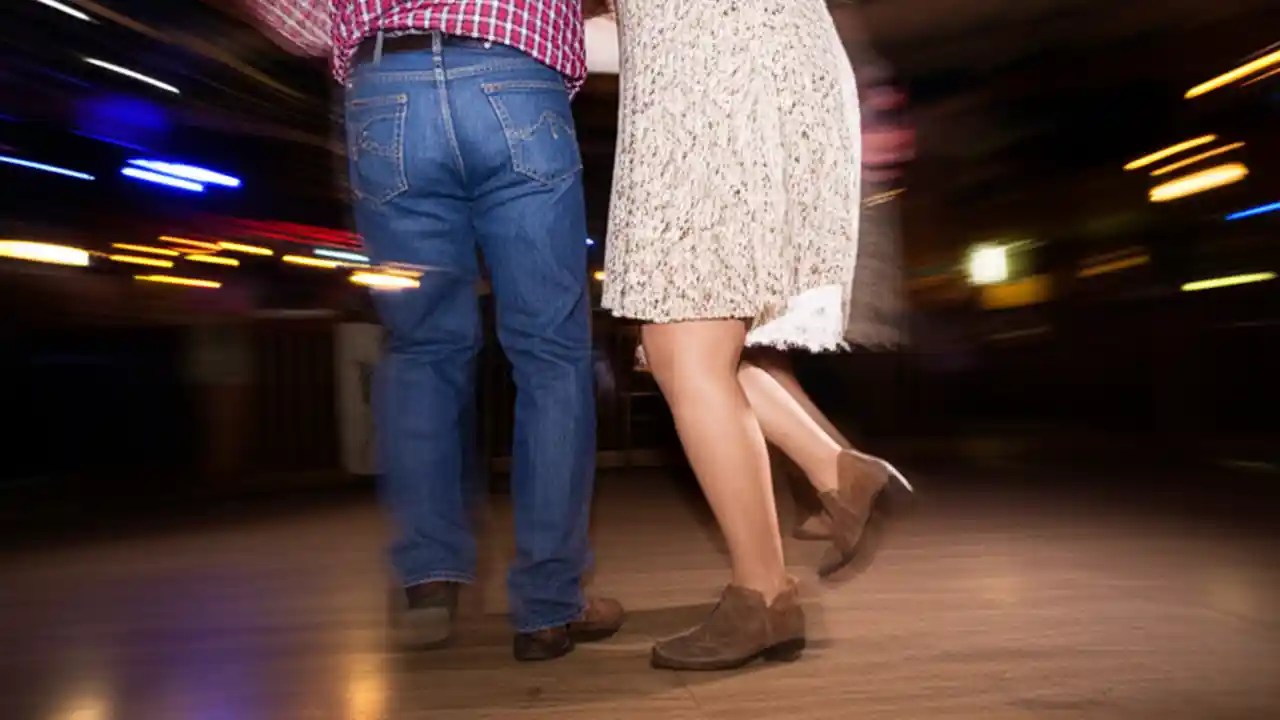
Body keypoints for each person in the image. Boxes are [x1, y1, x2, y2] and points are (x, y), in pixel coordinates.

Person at [246, 0, 623, 663]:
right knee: (551, 356)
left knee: (422, 348)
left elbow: (288, 12)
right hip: (515, 78)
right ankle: (547, 605)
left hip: (388, 94)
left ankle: (428, 578)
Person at [600, 0, 912, 670]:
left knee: (686, 347)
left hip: (712, 87)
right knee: (689, 341)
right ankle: (837, 471)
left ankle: (763, 595)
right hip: (767, 69)